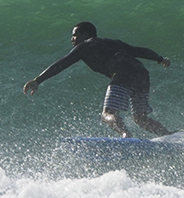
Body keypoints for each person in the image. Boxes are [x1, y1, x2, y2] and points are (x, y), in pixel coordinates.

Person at [23, 22, 172, 137]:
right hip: (141, 73)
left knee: (107, 114)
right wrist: (159, 59)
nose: (72, 39)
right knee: (140, 118)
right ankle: (168, 135)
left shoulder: (84, 46)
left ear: (85, 34)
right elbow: (139, 51)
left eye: (75, 35)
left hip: (123, 72)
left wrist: (38, 80)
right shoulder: (113, 42)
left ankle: (126, 135)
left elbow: (62, 63)